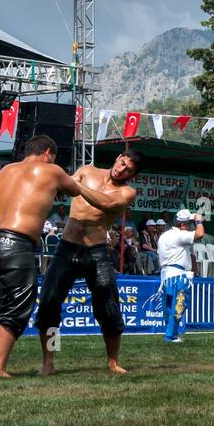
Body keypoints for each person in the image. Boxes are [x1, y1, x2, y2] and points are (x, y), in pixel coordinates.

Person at [0, 135, 113, 380]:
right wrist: (89, 185)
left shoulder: (7, 169)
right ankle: (26, 364)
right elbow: (76, 189)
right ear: (49, 153)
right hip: (48, 248)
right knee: (40, 308)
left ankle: (113, 361)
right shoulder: (53, 170)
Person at [36, 148, 140, 376]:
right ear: (117, 157)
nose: (122, 169)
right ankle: (49, 361)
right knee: (49, 303)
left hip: (96, 251)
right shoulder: (87, 171)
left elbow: (107, 205)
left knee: (108, 305)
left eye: (128, 170)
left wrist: (77, 187)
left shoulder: (127, 192)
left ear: (131, 176)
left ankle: (112, 361)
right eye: (122, 162)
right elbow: (61, 187)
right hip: (67, 248)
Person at [157, 209, 204, 343]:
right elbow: (200, 234)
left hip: (165, 276)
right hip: (178, 276)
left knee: (169, 308)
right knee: (178, 306)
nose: (189, 227)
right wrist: (198, 220)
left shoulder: (164, 235)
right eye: (188, 224)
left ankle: (171, 334)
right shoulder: (179, 235)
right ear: (182, 225)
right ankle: (170, 336)